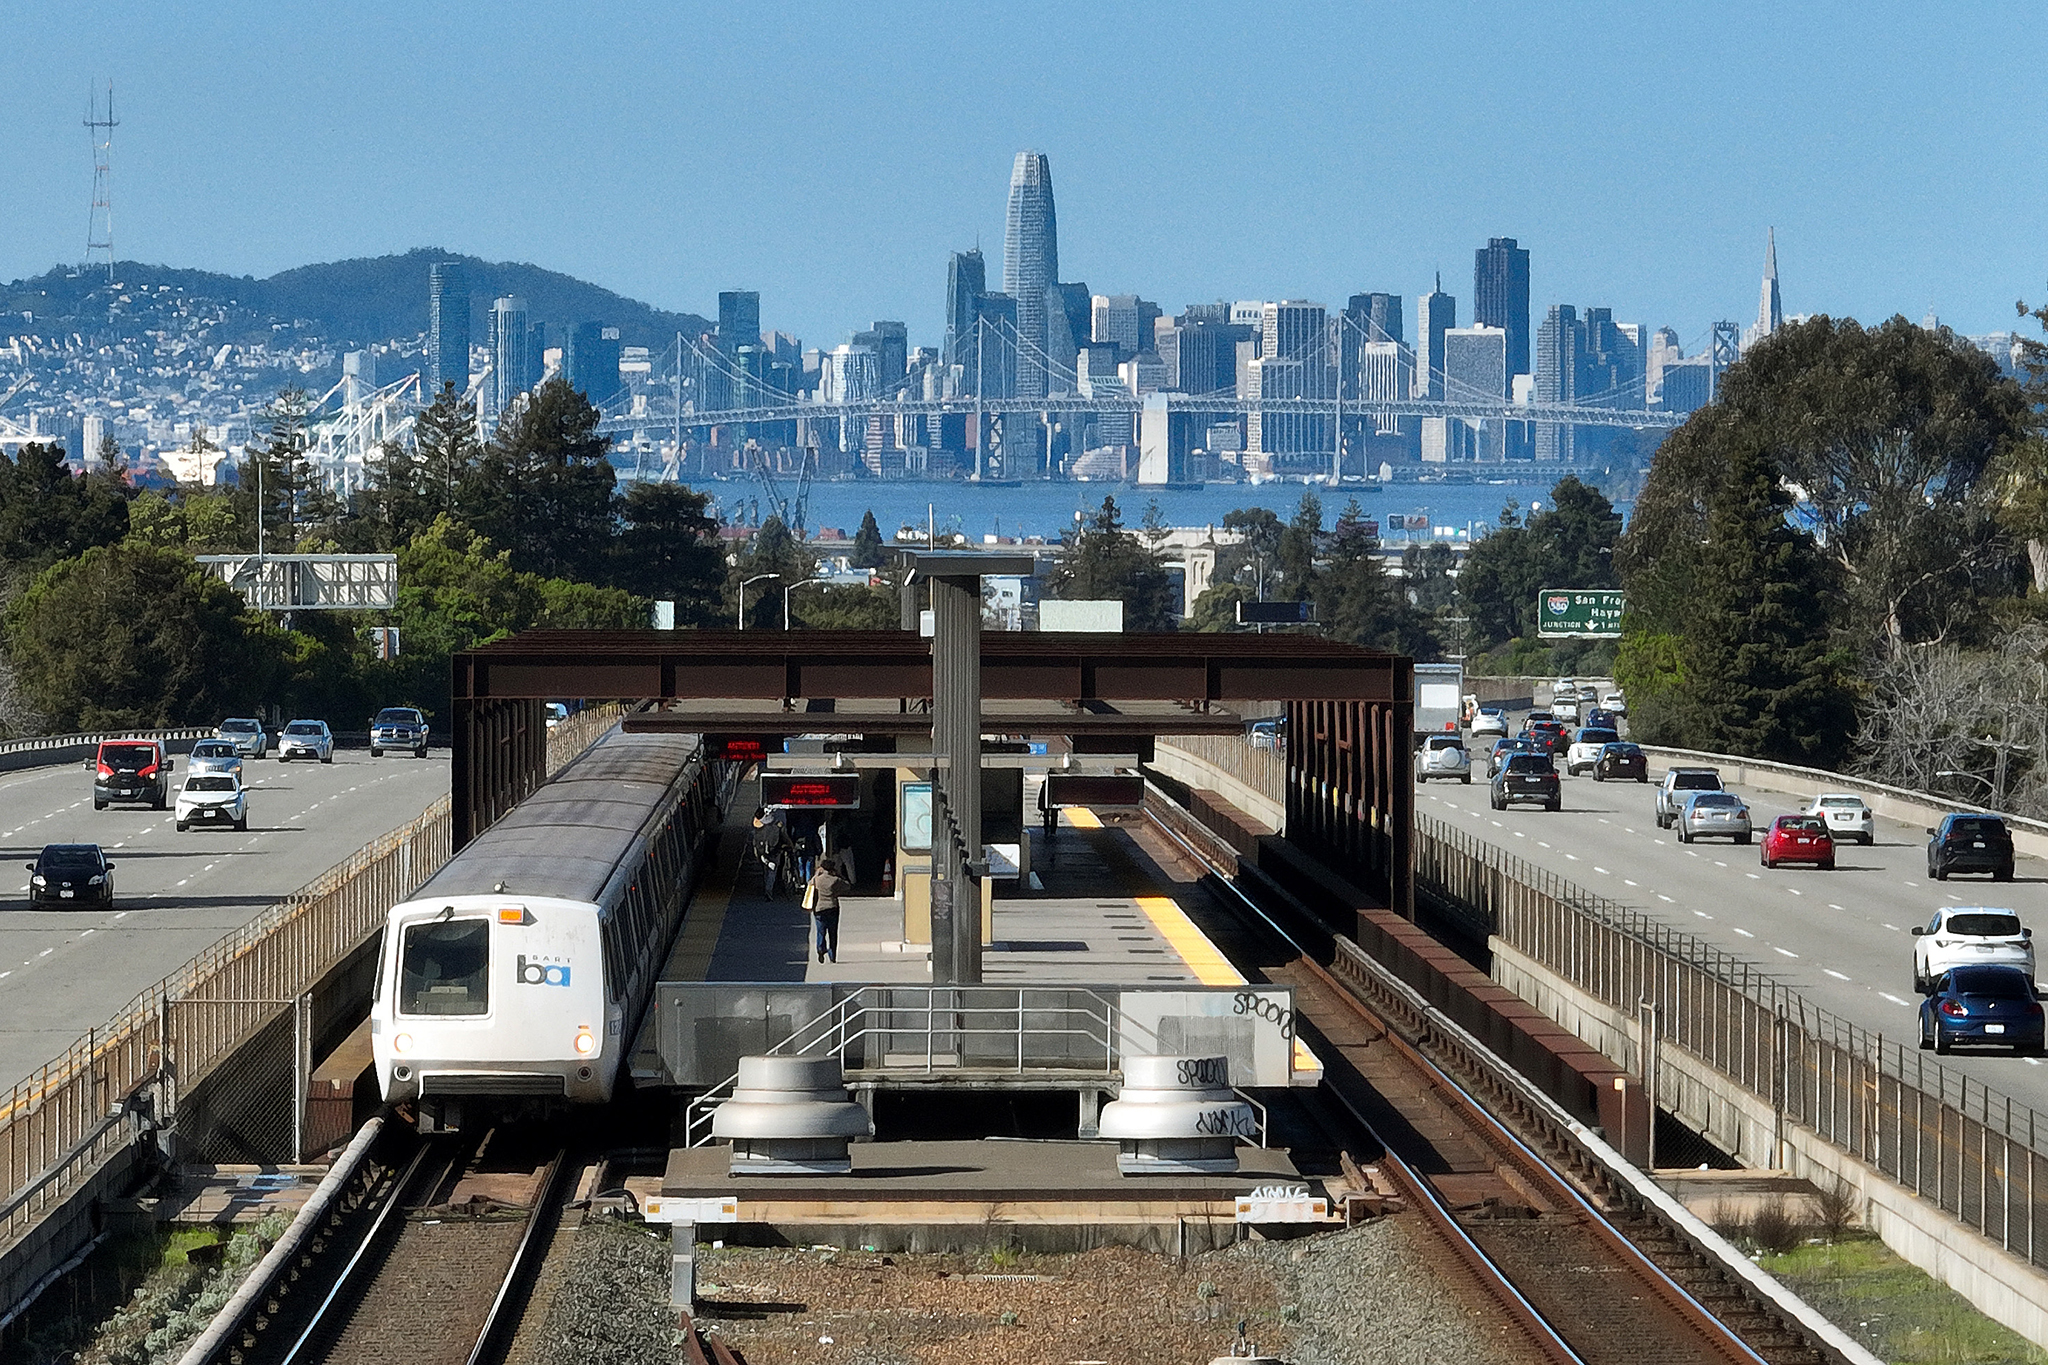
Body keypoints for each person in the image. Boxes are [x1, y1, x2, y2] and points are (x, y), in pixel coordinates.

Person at [805, 855, 851, 965]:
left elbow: (809, 885)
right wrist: (838, 875)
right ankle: (832, 955)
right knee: (832, 933)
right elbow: (847, 886)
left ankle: (820, 949)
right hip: (832, 908)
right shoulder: (835, 880)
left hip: (819, 908)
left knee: (821, 931)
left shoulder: (816, 880)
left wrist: (816, 874)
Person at [751, 807, 792, 898]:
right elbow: (785, 837)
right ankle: (768, 890)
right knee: (772, 872)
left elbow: (754, 840)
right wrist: (790, 846)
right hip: (774, 851)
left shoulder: (758, 825)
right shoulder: (777, 824)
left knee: (765, 870)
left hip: (761, 851)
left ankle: (766, 886)